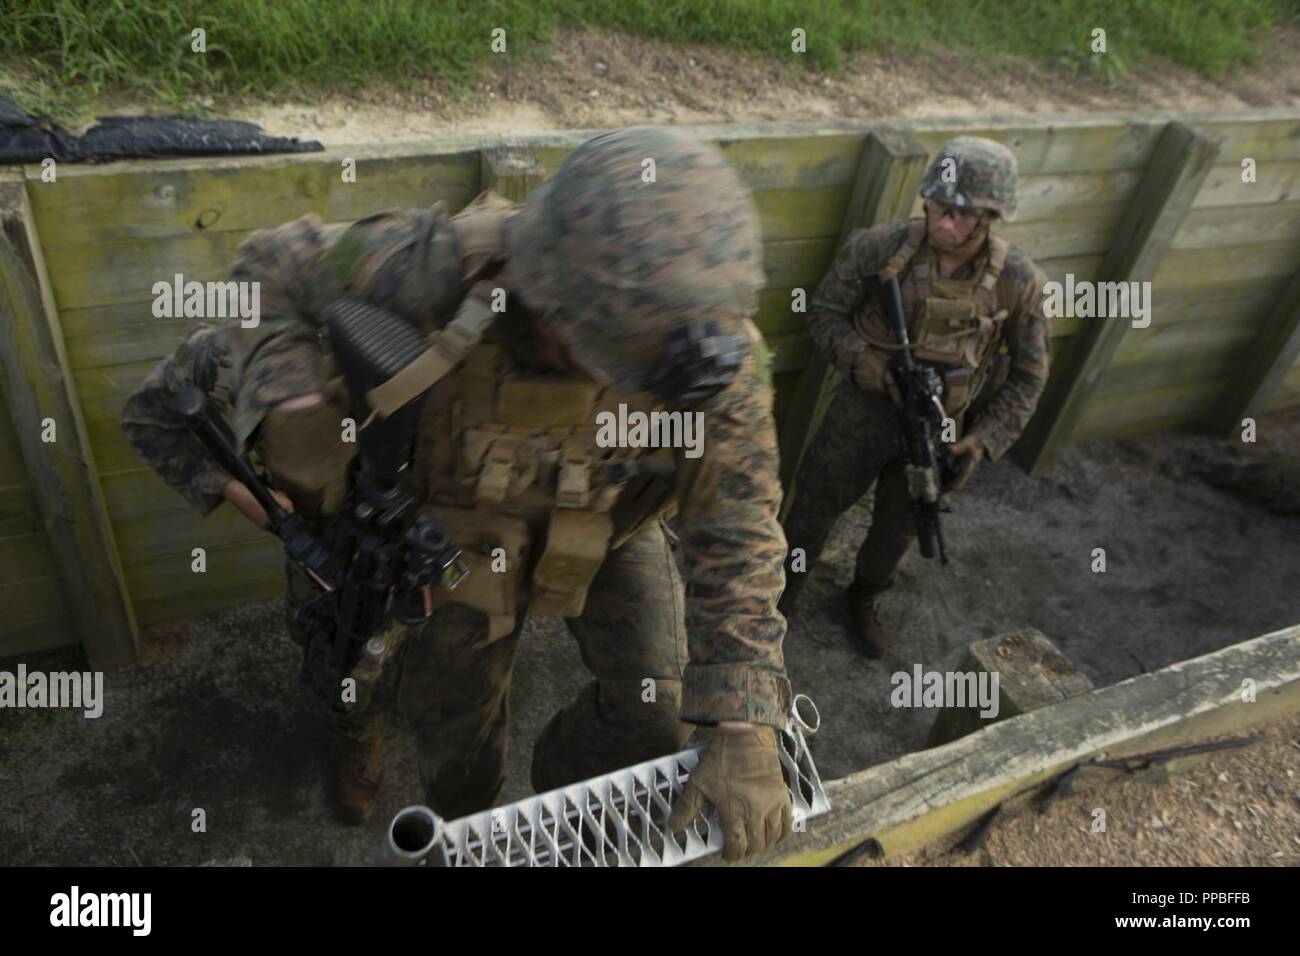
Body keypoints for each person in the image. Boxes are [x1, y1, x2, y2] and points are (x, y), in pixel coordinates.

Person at [121, 126, 794, 861]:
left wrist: (744, 722)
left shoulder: (697, 342)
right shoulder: (432, 267)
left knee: (653, 718)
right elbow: (264, 272)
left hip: (596, 523)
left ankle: (559, 802)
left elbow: (737, 518)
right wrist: (290, 415)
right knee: (455, 756)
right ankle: (416, 786)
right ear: (555, 299)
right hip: (451, 545)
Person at [779, 136, 1051, 658]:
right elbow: (823, 314)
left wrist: (982, 441)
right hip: (863, 410)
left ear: (990, 217)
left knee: (900, 527)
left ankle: (863, 596)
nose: (944, 222)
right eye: (938, 207)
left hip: (938, 426)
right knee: (812, 510)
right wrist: (866, 363)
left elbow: (1029, 376)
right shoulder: (881, 246)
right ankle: (781, 595)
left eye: (961, 214)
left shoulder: (1018, 281)